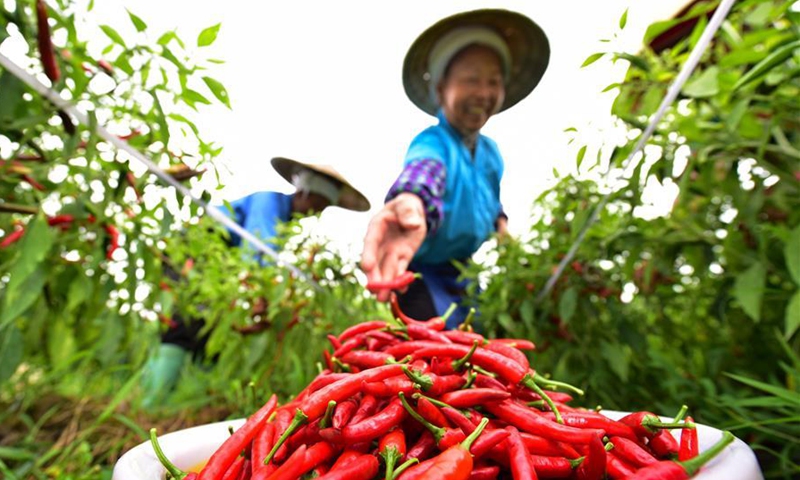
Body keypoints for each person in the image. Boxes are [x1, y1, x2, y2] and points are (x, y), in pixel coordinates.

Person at [361, 9, 550, 329]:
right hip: (421, 270)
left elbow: (491, 201)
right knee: (437, 359)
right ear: (441, 90)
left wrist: (502, 229)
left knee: (477, 354)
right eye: (471, 79)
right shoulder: (433, 142)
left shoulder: (491, 154)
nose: (483, 92)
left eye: (494, 81)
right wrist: (412, 200)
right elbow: (424, 175)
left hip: (466, 273)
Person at [141, 157, 370, 406]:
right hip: (194, 252)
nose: (317, 212)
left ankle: (182, 403)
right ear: (304, 192)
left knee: (207, 331)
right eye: (319, 203)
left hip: (214, 266)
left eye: (324, 207)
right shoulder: (269, 202)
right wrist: (261, 297)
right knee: (183, 322)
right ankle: (150, 401)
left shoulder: (283, 218)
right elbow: (257, 250)